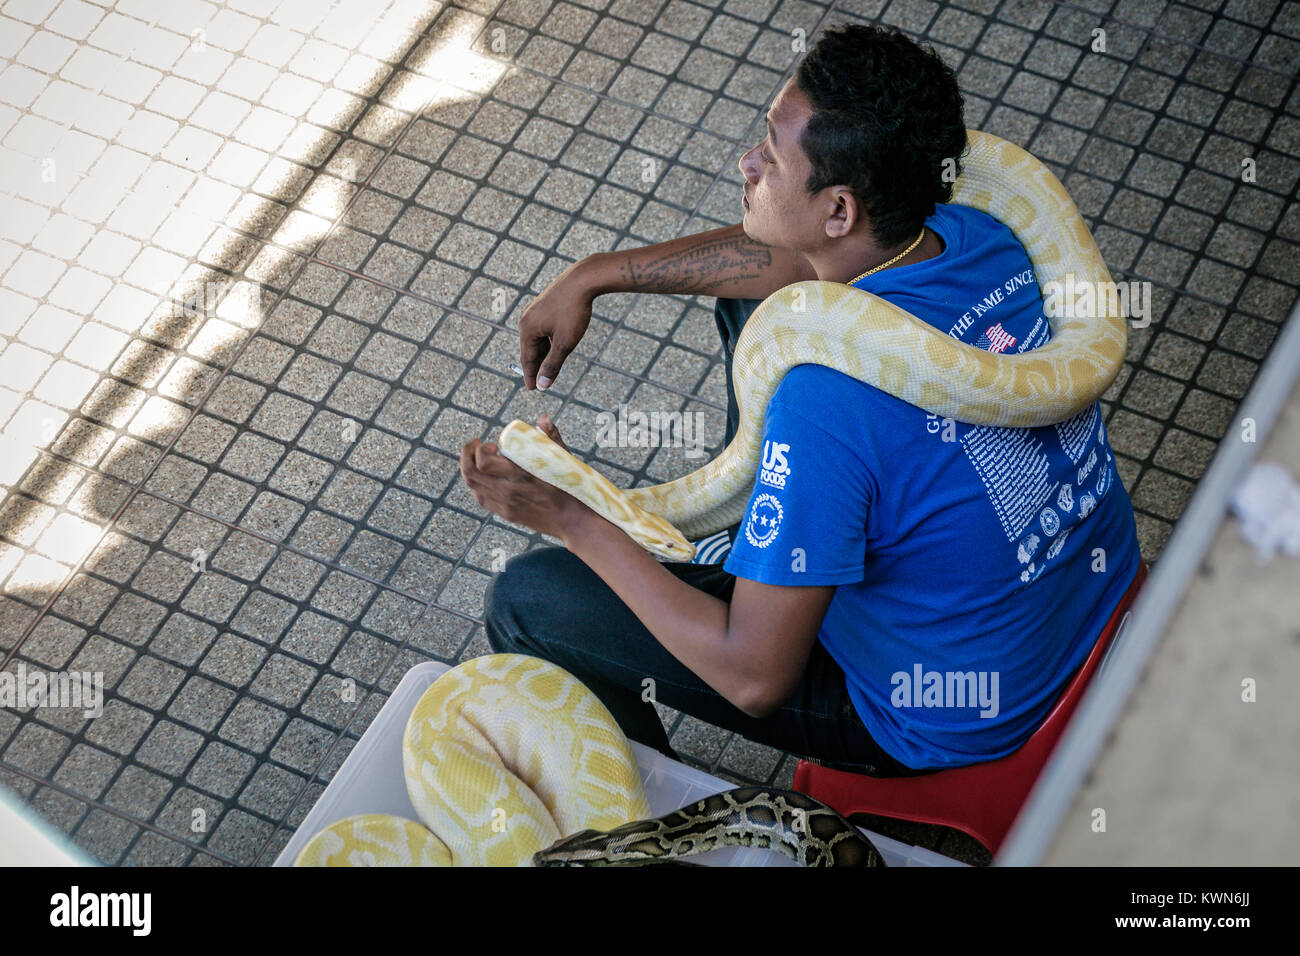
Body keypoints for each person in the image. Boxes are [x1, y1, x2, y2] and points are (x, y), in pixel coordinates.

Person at [460, 23, 1142, 776]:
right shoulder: (981, 231)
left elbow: (755, 679)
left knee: (526, 599)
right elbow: (788, 262)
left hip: (956, 708)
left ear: (841, 210)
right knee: (758, 309)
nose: (747, 162)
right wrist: (596, 273)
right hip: (1087, 599)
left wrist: (571, 517)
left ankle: (642, 822)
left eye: (772, 155)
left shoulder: (823, 407)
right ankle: (766, 539)